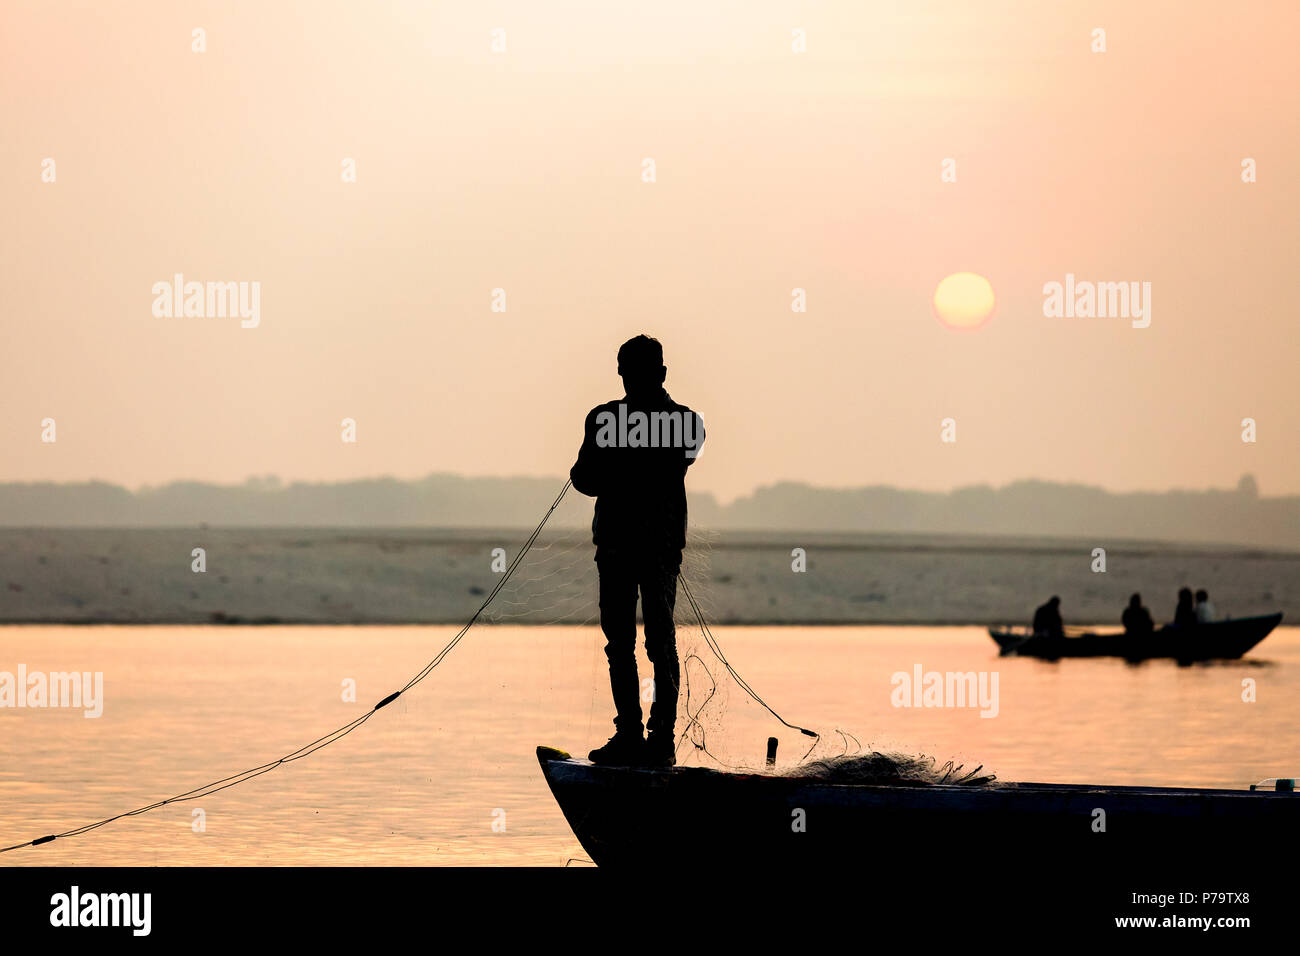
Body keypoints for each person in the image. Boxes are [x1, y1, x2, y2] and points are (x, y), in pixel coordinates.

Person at [570, 335, 705, 767]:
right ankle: (631, 735)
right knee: (625, 642)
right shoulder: (672, 422)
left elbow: (588, 478)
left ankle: (659, 740)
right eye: (628, 375)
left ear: (661, 375)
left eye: (636, 374)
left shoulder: (674, 422)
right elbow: (587, 479)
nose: (632, 382)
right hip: (620, 547)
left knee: (655, 642)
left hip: (653, 548)